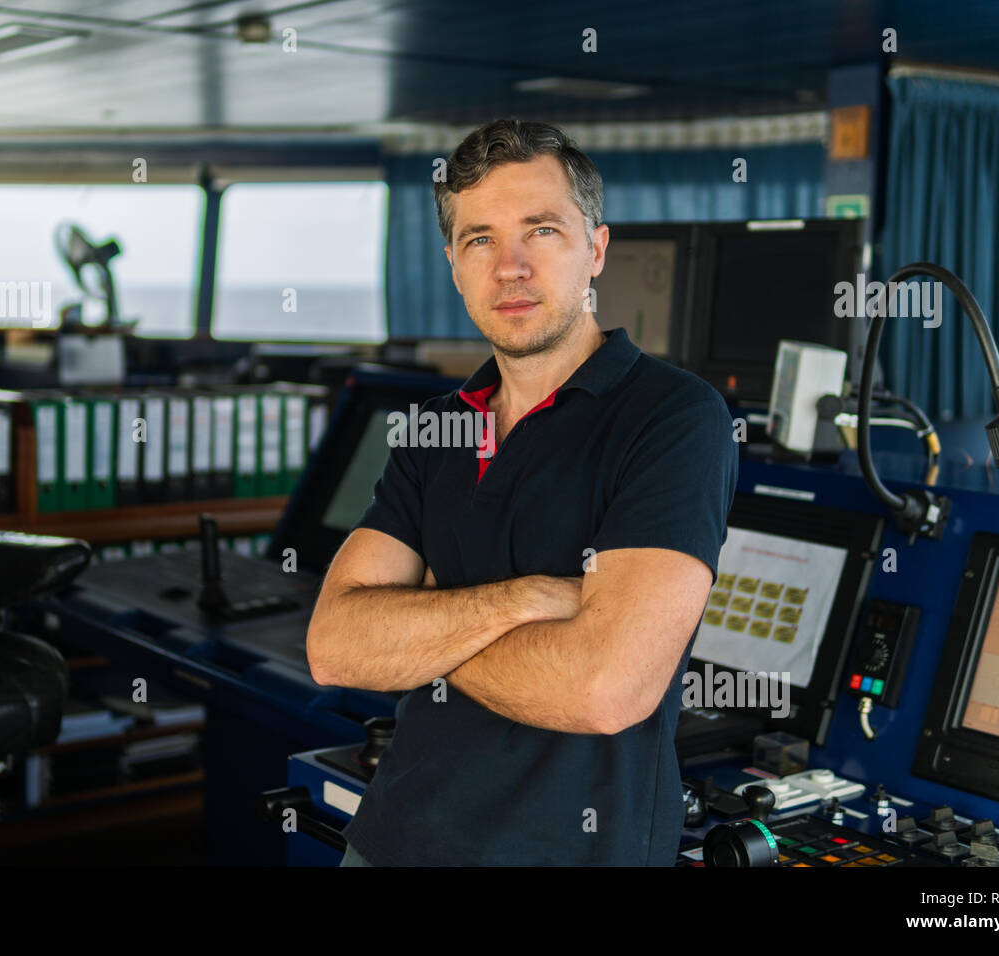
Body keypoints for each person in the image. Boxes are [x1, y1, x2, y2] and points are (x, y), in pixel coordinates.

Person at [307, 117, 737, 866]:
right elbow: (334, 648)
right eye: (480, 239)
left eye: (541, 231)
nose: (510, 266)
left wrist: (416, 633)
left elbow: (605, 687)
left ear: (596, 250)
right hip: (390, 841)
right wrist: (530, 598)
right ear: (452, 265)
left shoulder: (675, 417)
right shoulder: (434, 432)